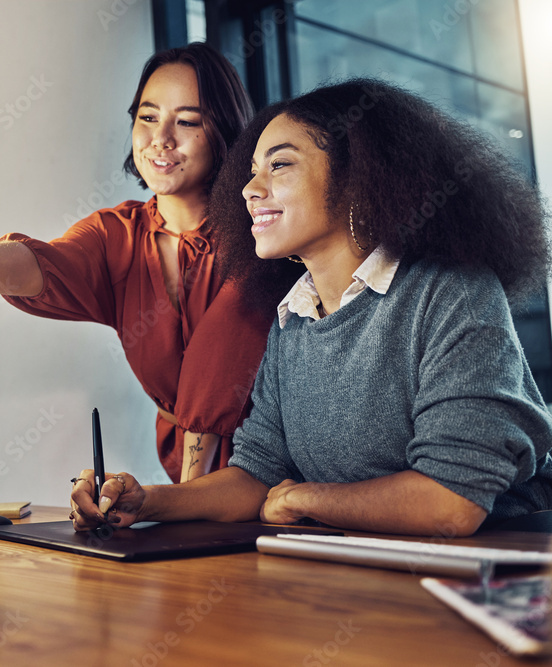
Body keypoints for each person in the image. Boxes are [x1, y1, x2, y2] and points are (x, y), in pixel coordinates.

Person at [69, 78, 552, 536]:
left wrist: (305, 501)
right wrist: (146, 502)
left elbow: (452, 504)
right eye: (253, 169)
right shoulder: (293, 318)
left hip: (499, 566)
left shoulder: (450, 294)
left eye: (278, 165)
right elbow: (255, 475)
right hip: (362, 573)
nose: (248, 189)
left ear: (360, 180)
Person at [0, 44, 300, 482]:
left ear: (224, 130)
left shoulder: (263, 226)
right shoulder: (117, 235)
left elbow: (225, 347)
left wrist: (186, 496)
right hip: (181, 468)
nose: (161, 138)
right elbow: (44, 265)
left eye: (186, 121)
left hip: (279, 465)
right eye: (147, 117)